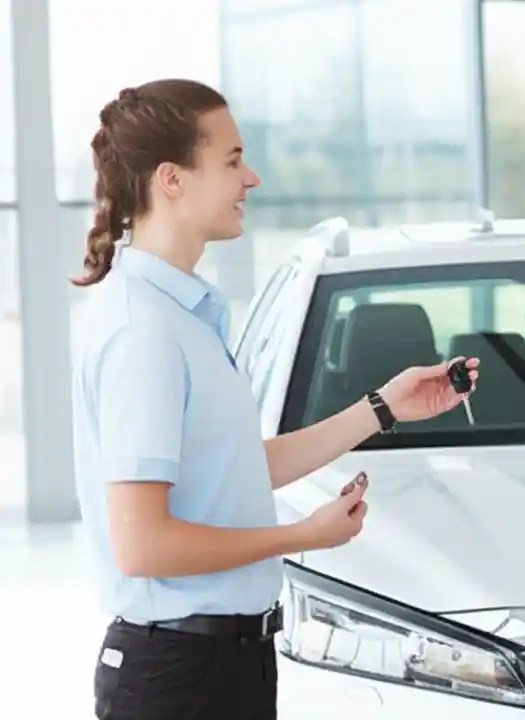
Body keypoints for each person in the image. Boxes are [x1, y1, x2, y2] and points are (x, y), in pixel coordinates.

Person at [69, 79, 478, 720]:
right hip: (177, 677)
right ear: (171, 179)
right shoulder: (143, 331)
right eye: (232, 161)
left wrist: (384, 407)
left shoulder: (183, 316)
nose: (251, 178)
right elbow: (143, 545)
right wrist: (300, 535)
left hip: (223, 664)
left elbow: (234, 472)